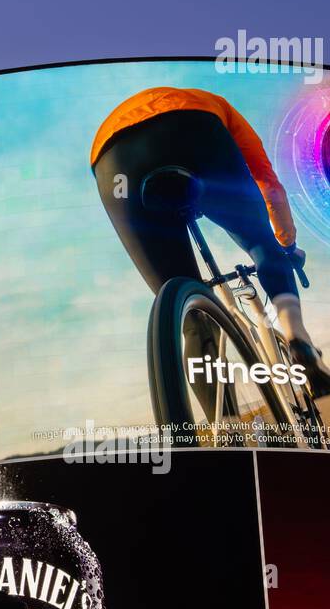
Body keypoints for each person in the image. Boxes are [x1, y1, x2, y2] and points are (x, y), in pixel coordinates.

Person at [91, 85, 330, 398]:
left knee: (187, 308)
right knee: (263, 245)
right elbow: (268, 185)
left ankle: (225, 433)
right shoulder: (219, 105)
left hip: (112, 155)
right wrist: (284, 246)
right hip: (195, 122)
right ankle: (298, 339)